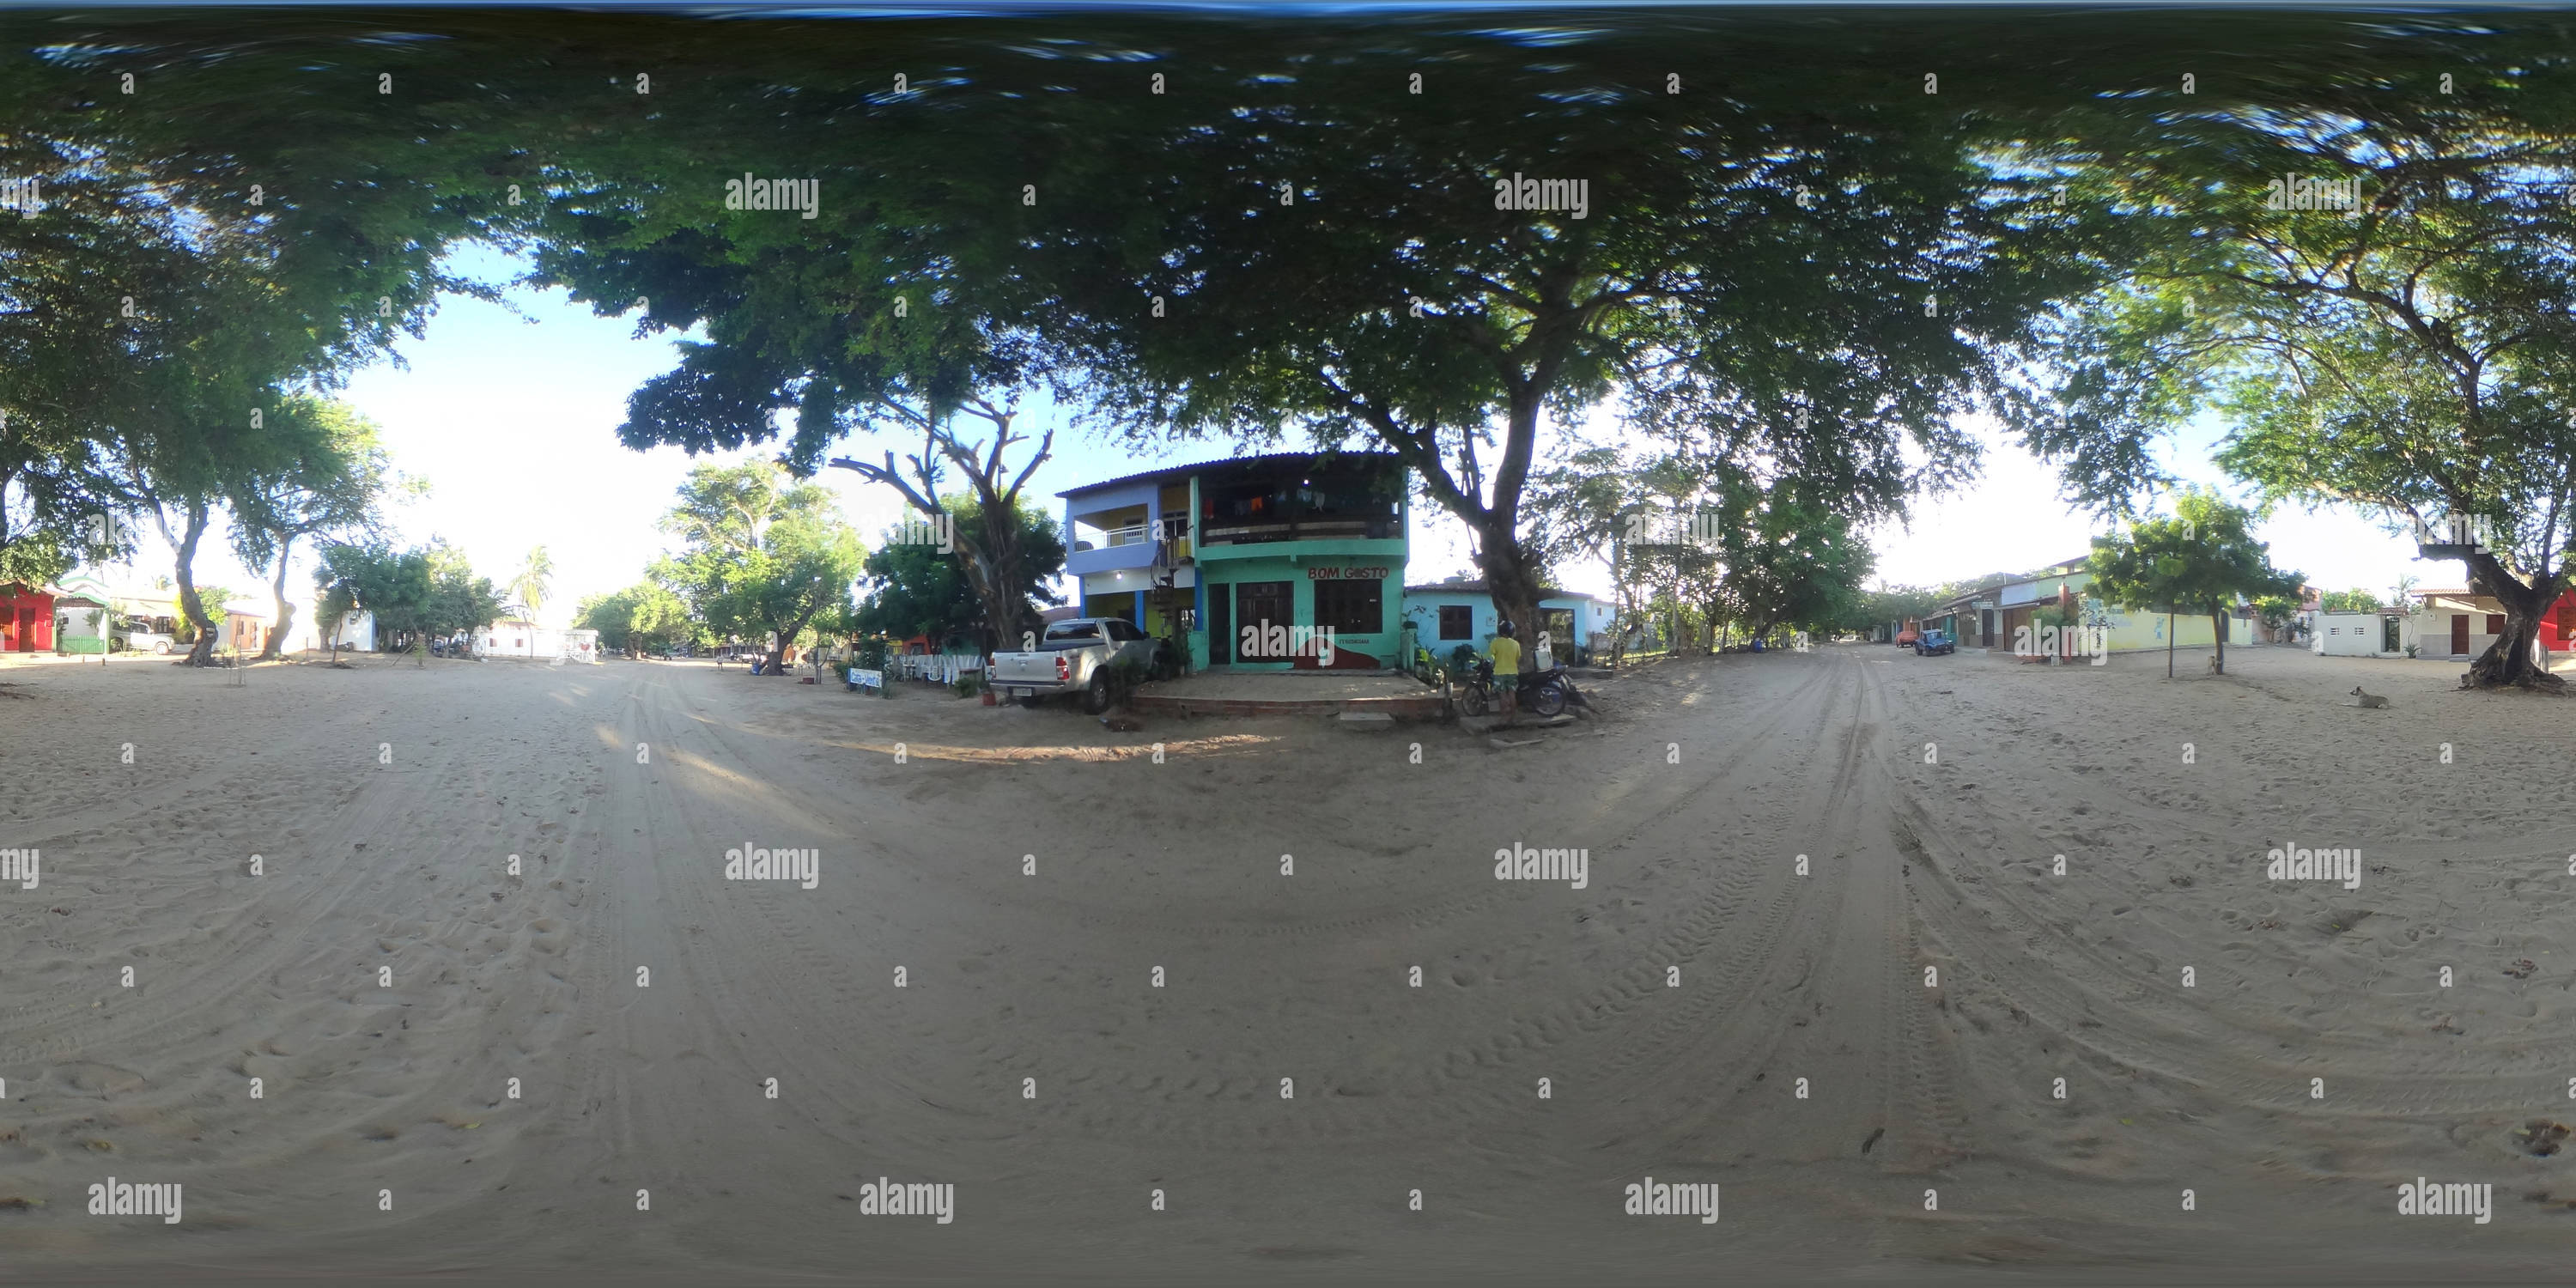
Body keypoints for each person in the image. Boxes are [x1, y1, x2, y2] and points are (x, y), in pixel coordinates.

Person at [1488, 618, 1523, 719]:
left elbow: (1491, 657)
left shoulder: (1496, 642)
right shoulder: (1516, 644)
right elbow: (1518, 658)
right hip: (1513, 672)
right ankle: (1513, 716)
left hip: (1499, 673)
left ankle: (1504, 716)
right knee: (1512, 694)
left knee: (1502, 695)